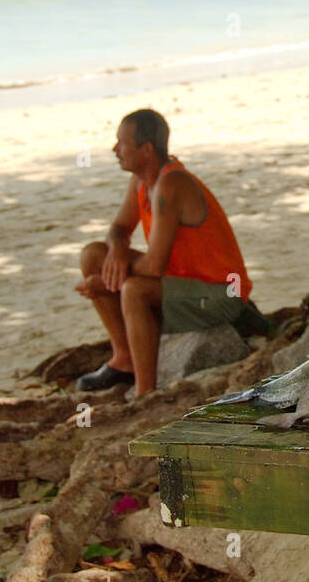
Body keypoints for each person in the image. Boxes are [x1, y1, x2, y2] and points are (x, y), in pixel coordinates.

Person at [74, 109, 260, 396]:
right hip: (183, 283)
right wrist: (119, 248)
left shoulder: (171, 184)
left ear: (146, 150)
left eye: (121, 144)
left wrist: (110, 282)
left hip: (223, 293)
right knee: (93, 256)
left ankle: (144, 393)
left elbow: (152, 266)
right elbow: (119, 227)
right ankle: (124, 360)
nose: (114, 150)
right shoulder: (140, 181)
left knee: (134, 290)